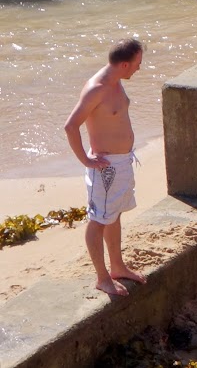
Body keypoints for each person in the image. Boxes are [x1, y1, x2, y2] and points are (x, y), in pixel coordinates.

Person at [63, 38, 145, 297]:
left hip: (122, 163)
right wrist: (86, 161)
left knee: (114, 215)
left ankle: (117, 267)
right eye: (137, 64)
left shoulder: (116, 80)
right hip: (106, 169)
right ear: (124, 64)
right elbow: (70, 126)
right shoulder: (96, 89)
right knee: (99, 220)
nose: (138, 69)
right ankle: (102, 278)